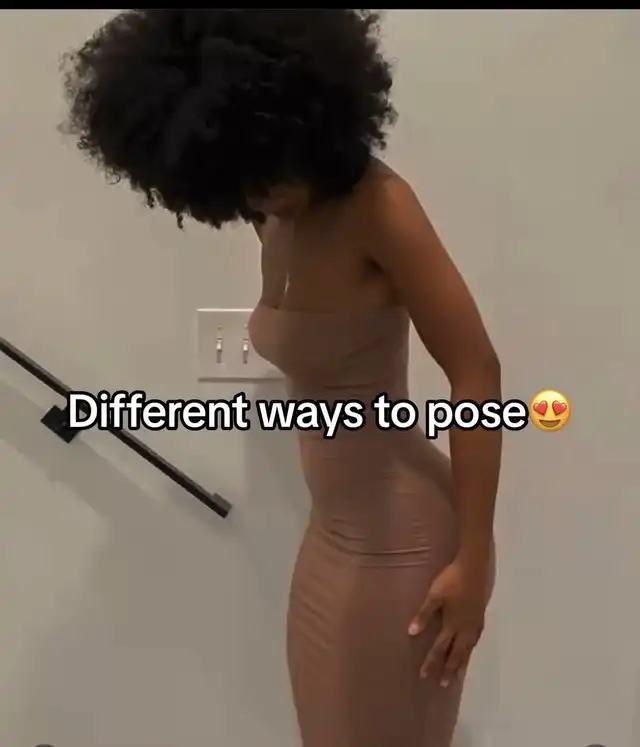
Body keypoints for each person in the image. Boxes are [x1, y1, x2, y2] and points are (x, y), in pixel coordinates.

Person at [62, 10, 499, 747]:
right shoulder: (271, 214)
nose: (263, 199)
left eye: (271, 176)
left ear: (304, 124)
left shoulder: (379, 207)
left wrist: (477, 559)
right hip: (329, 536)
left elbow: (476, 371)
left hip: (402, 540)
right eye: (244, 186)